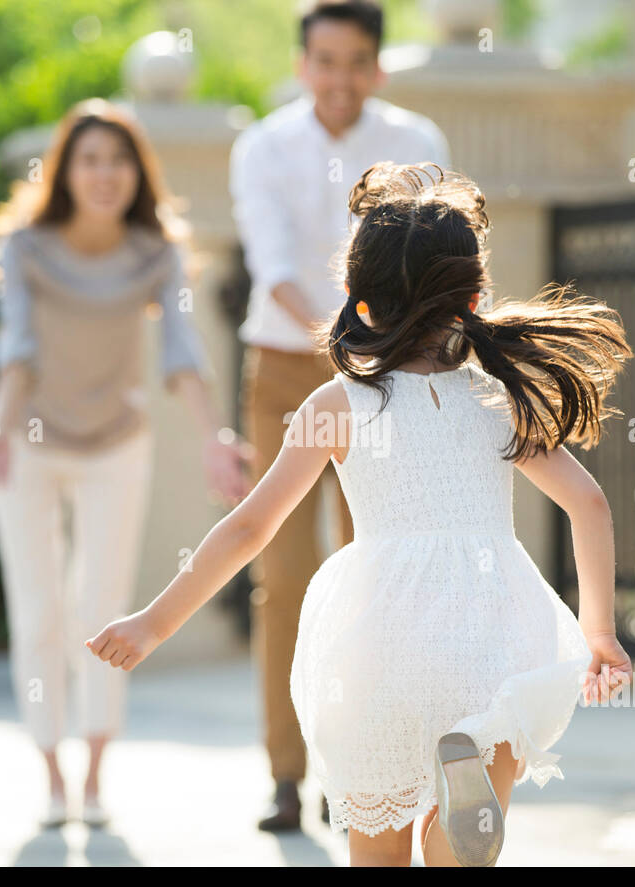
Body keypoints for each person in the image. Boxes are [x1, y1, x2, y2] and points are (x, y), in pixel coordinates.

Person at [87, 161, 635, 867]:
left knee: (375, 851)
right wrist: (599, 635)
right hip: (490, 628)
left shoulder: (338, 406)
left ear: (356, 298)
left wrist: (153, 623)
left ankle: (436, 820)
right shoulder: (495, 399)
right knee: (470, 796)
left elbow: (251, 526)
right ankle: (456, 818)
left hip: (380, 642)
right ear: (472, 298)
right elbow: (587, 504)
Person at [0, 98, 251, 829]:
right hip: (28, 444)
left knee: (101, 604)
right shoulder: (26, 246)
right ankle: (51, 774)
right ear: (66, 169)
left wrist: (216, 437)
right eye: (89, 159)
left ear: (138, 173)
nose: (104, 174)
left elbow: (184, 351)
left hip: (117, 442)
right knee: (38, 612)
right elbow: (16, 347)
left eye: (119, 161)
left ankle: (94, 775)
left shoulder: (155, 253)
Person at [228, 0, 450, 831]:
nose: (340, 79)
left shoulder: (419, 141)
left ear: (377, 66)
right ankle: (286, 774)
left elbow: (438, 258)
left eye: (356, 62)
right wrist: (345, 342)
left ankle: (361, 770)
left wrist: (383, 352)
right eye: (325, 61)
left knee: (379, 575)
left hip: (391, 372)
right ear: (302, 64)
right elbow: (275, 262)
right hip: (289, 369)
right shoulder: (263, 147)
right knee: (283, 579)